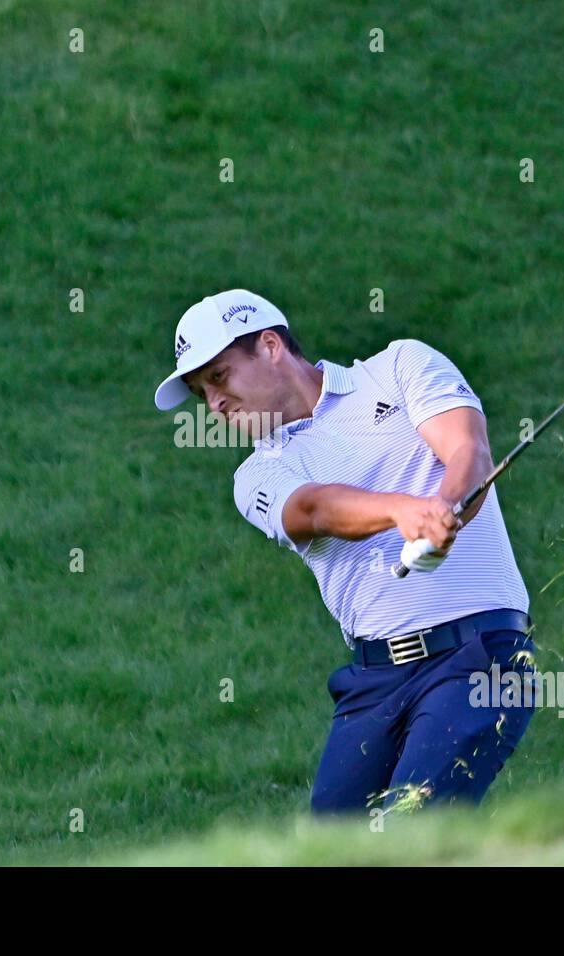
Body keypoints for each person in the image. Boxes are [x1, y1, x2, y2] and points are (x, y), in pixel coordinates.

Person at [154, 289, 537, 815]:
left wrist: (445, 508)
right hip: (374, 684)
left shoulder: (400, 366)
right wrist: (404, 510)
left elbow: (468, 449)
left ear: (270, 346)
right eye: (202, 394)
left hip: (480, 656)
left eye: (219, 376)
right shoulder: (256, 476)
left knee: (412, 836)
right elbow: (312, 511)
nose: (215, 403)